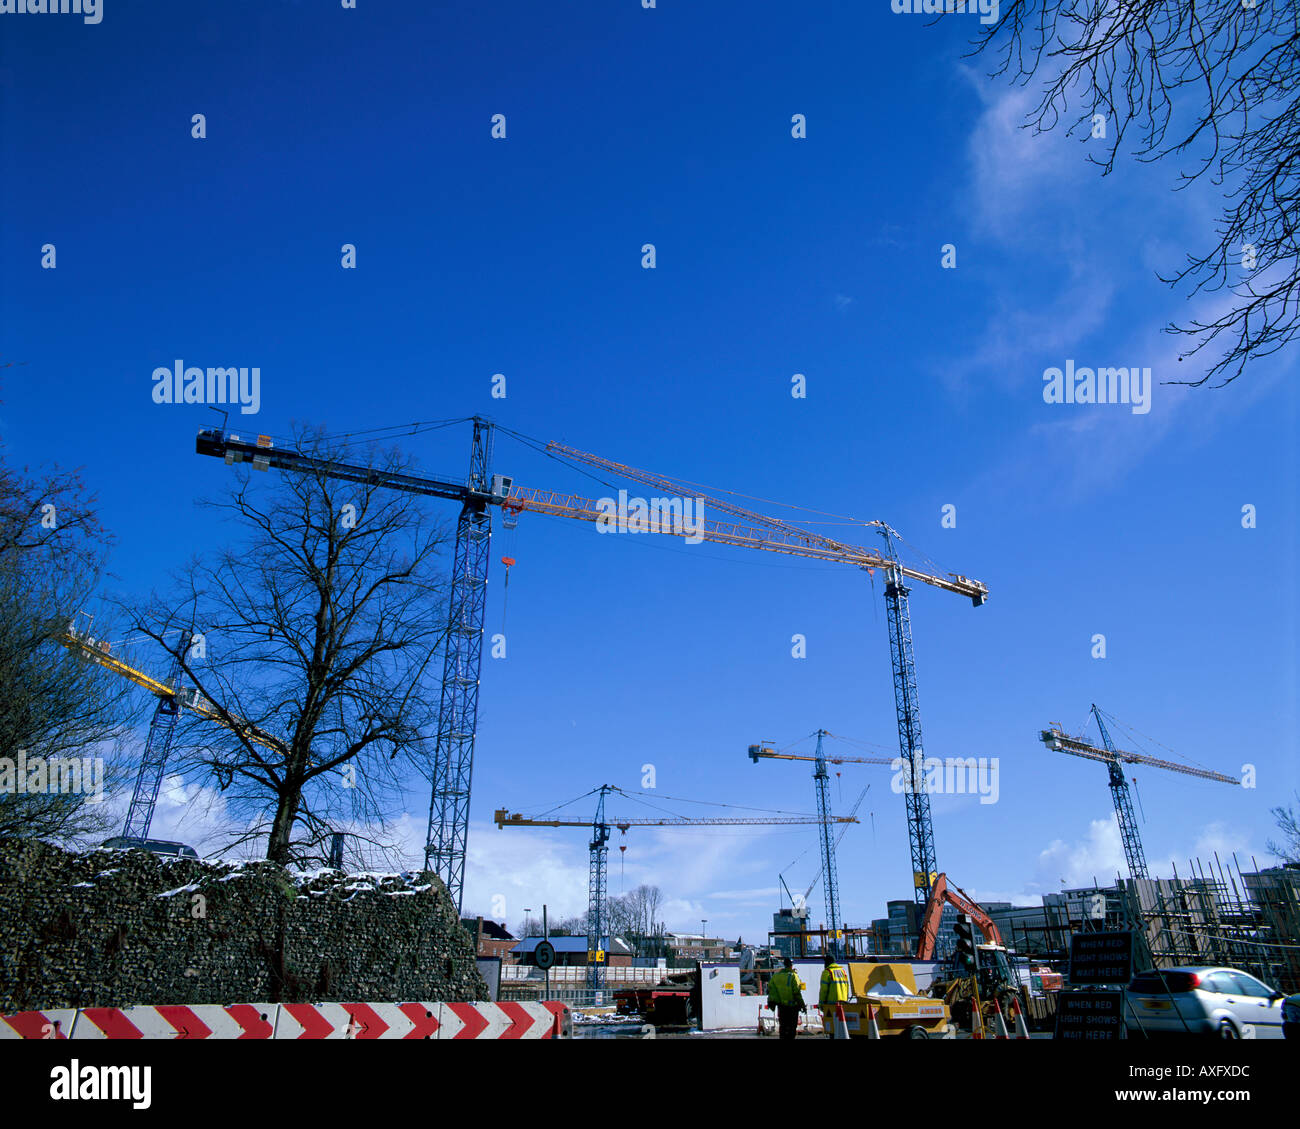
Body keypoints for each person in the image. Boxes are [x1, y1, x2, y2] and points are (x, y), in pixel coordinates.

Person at [767, 957, 805, 1040]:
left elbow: (771, 990)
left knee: (783, 1029)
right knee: (791, 1030)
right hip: (792, 1008)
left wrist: (771, 1002)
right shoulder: (793, 976)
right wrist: (802, 1005)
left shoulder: (776, 976)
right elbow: (797, 993)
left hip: (782, 1007)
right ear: (791, 965)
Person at [819, 953, 851, 1038]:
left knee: (833, 1031)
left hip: (831, 1005)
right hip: (843, 1004)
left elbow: (824, 991)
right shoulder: (843, 971)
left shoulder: (827, 972)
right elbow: (847, 987)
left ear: (827, 962)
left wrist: (821, 1004)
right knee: (842, 1029)